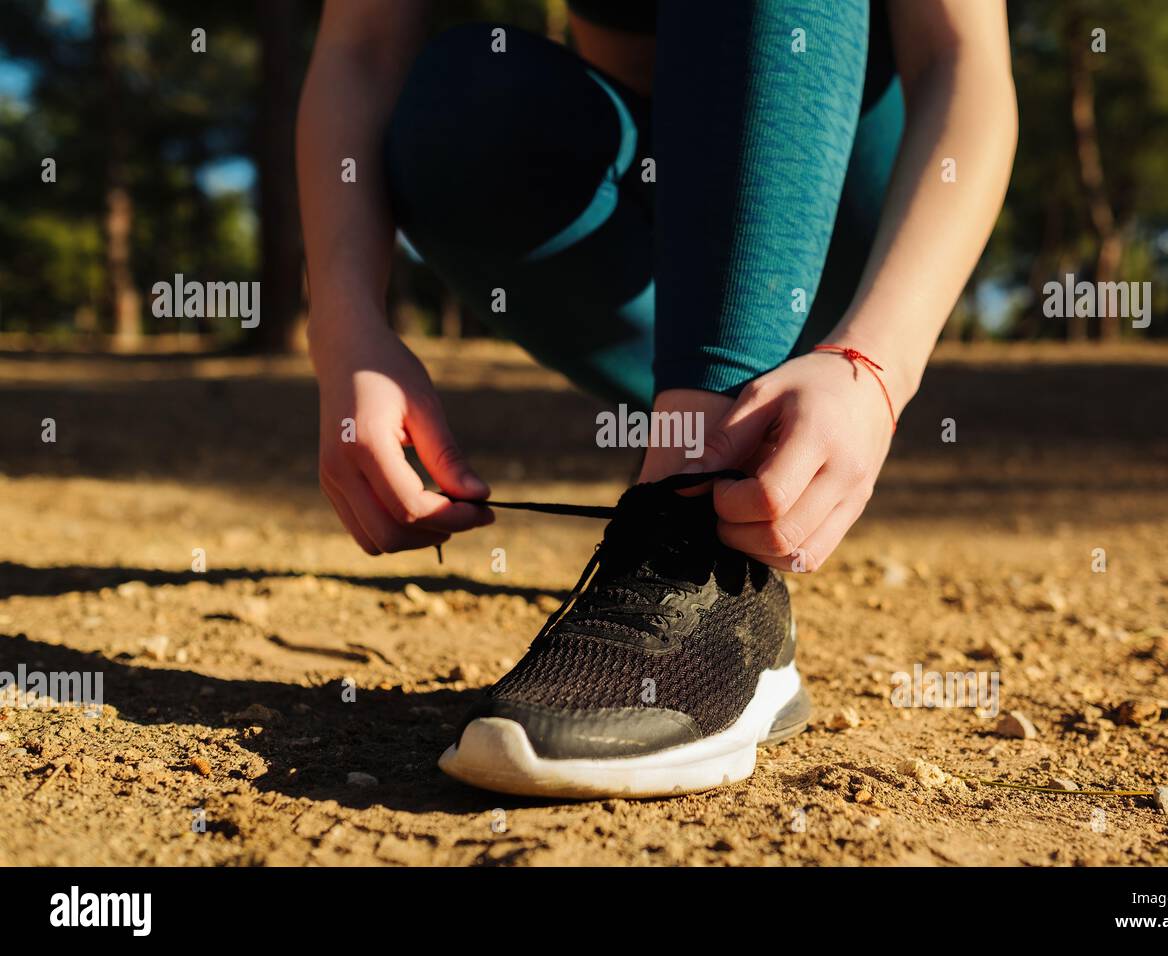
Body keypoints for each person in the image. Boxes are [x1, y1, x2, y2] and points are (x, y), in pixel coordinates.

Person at [297, 0, 1017, 798]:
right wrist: (344, 325)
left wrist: (876, 362)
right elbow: (361, 47)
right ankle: (724, 446)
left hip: (852, 198)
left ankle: (706, 531)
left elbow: (962, 61)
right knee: (464, 101)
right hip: (653, 215)